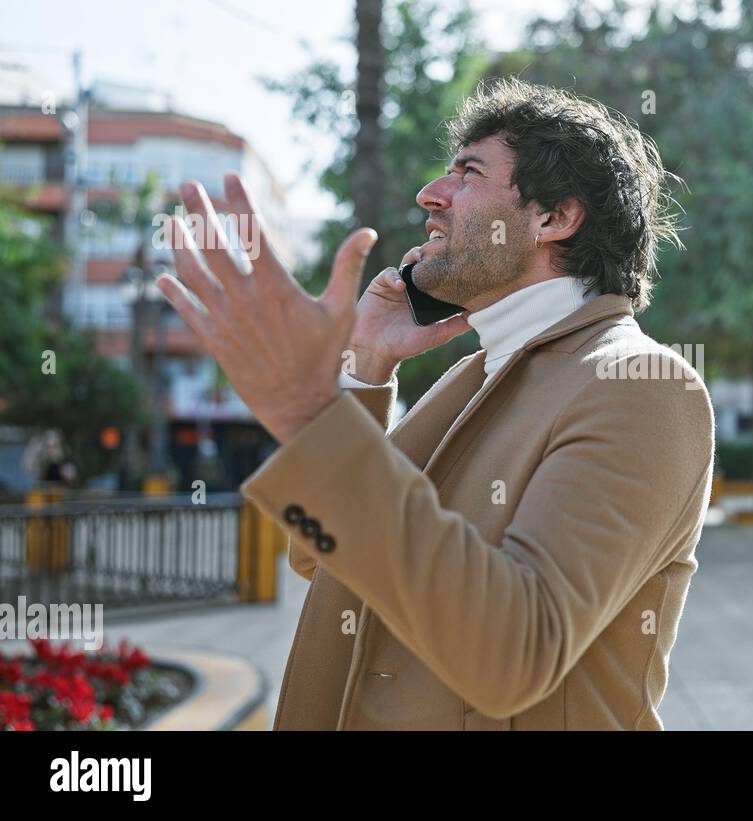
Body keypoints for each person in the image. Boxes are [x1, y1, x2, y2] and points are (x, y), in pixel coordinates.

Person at [156, 78, 714, 730]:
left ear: (554, 217)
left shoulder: (641, 385)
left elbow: (514, 654)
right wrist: (366, 368)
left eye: (468, 174)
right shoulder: (475, 373)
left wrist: (309, 411)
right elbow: (322, 555)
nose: (430, 195)